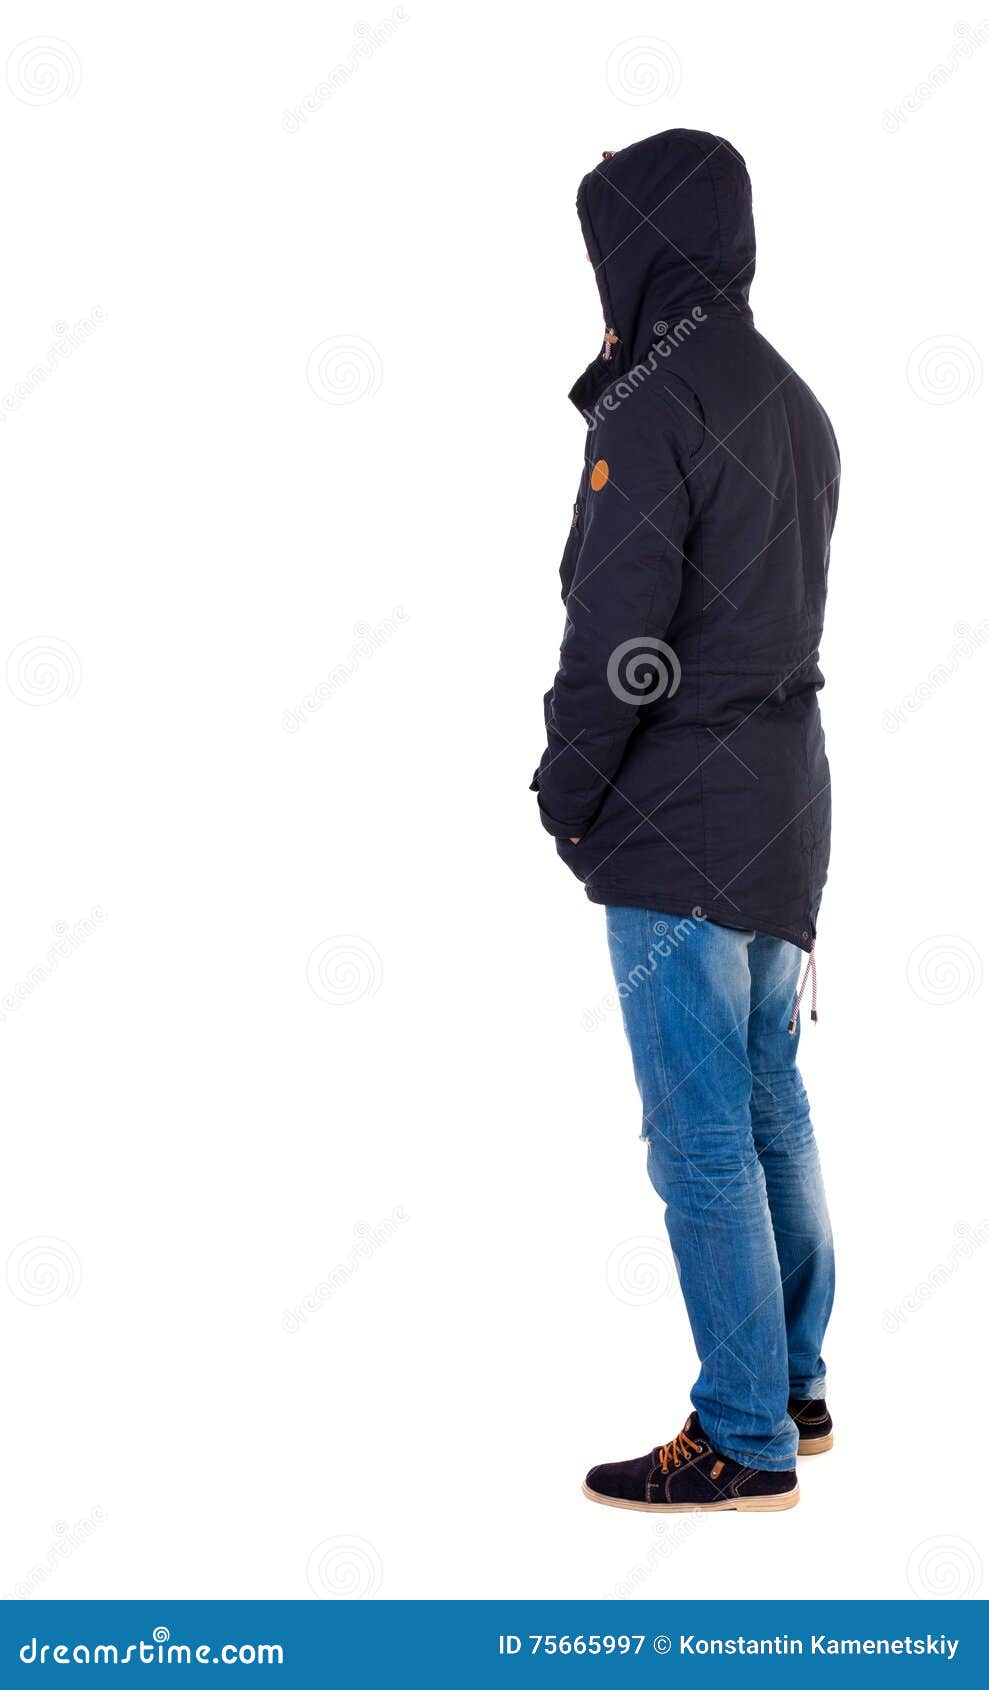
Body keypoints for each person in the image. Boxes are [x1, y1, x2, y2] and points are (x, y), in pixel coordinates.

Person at [531, 129, 839, 1513]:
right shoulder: (792, 398)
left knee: (700, 1133)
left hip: (677, 813)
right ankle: (795, 1384)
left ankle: (741, 1436)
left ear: (640, 244)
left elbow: (621, 638)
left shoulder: (649, 407)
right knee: (770, 1104)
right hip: (783, 805)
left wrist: (564, 785)